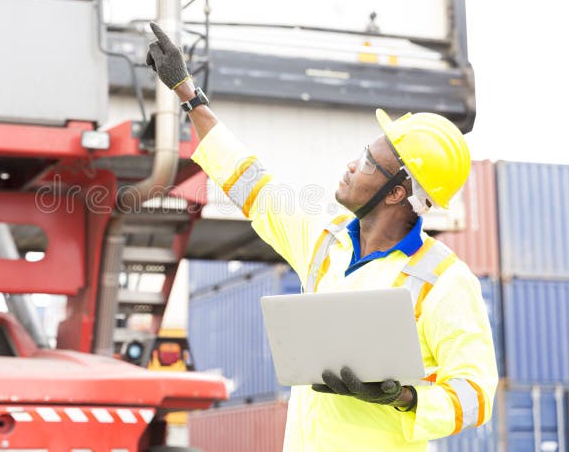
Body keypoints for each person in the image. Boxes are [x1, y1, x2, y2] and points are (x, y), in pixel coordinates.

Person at [146, 22, 498, 451]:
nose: (352, 164)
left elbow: (476, 395)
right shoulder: (327, 244)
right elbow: (251, 185)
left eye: (369, 162)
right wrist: (187, 93)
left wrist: (402, 397)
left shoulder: (442, 279)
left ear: (398, 193)